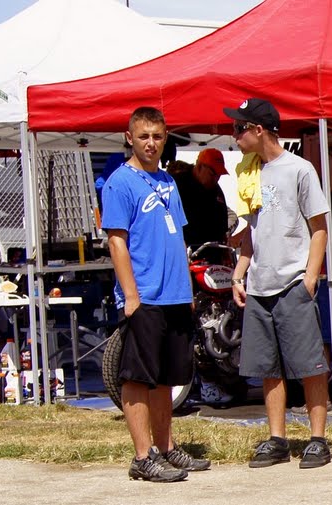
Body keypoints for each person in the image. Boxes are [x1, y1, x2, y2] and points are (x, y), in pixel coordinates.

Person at [100, 106, 210, 483]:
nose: (151, 143)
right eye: (144, 136)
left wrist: (187, 288)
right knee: (138, 377)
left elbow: (178, 238)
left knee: (167, 377)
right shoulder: (120, 182)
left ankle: (167, 448)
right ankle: (142, 455)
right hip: (144, 295)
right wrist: (131, 295)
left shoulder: (167, 182)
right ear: (130, 137)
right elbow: (117, 243)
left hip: (174, 295)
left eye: (158, 136)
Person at [224, 96, 332, 469]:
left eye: (239, 128)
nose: (234, 134)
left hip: (292, 283)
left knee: (309, 365)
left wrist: (310, 278)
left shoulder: (299, 170)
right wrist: (240, 272)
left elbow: (319, 229)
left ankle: (318, 438)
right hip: (259, 284)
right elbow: (251, 232)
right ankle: (277, 439)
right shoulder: (248, 173)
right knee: (267, 367)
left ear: (259, 130)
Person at [175, 147, 229, 249]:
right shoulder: (177, 185)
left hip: (212, 253)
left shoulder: (216, 191)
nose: (216, 179)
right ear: (199, 167)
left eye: (219, 175)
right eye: (213, 174)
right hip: (184, 253)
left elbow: (222, 226)